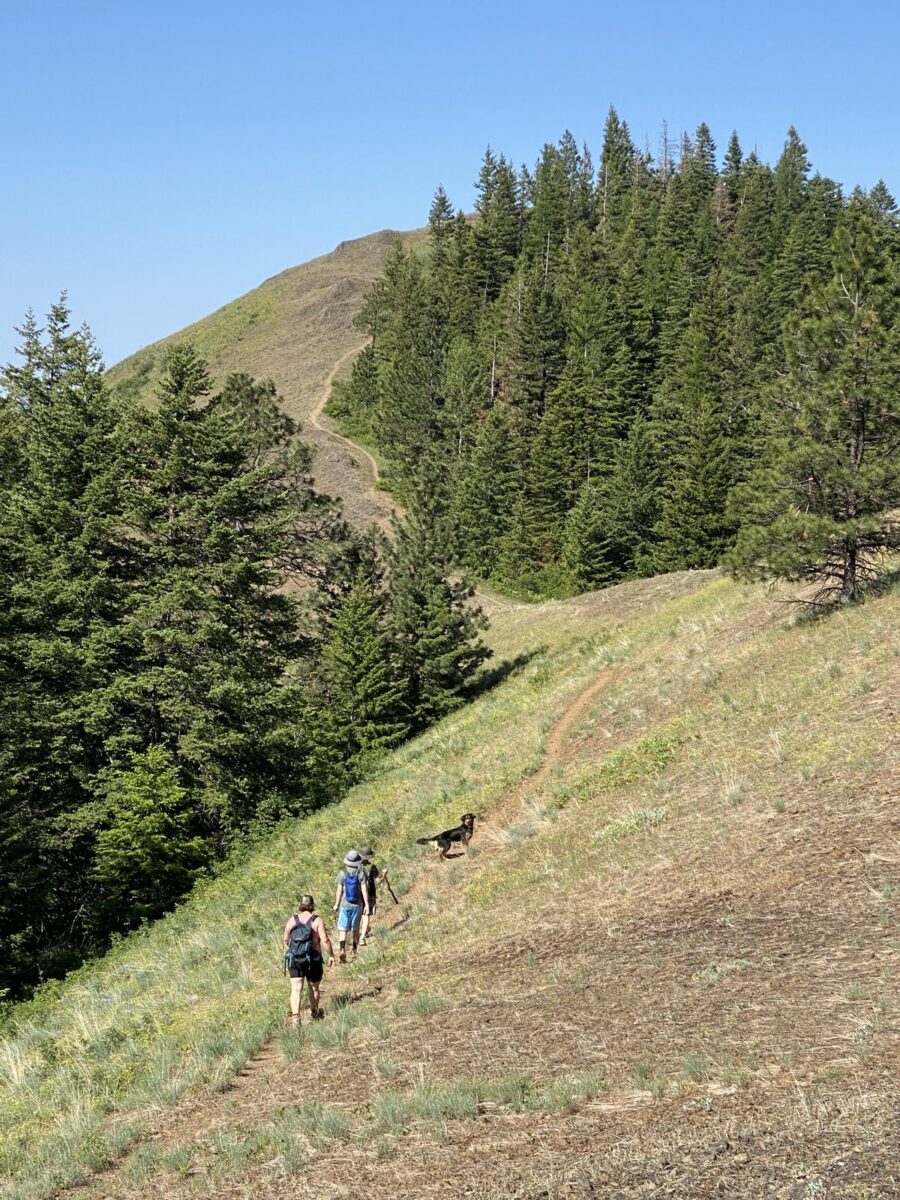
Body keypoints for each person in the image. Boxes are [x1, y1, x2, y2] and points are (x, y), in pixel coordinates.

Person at [283, 894, 335, 1026]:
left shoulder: (292, 920)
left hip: (295, 959)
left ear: (300, 905)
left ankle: (296, 1019)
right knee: (314, 987)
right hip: (313, 959)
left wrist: (296, 950)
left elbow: (286, 940)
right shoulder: (316, 920)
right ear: (312, 905)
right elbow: (325, 940)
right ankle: (314, 1012)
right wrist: (331, 955)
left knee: (295, 989)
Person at [333, 850, 369, 962]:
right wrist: (366, 904)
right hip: (357, 905)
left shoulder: (342, 873)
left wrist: (336, 904)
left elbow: (339, 890)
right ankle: (354, 950)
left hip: (344, 905)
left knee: (342, 930)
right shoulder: (361, 873)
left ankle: (342, 949)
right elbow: (364, 889)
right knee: (355, 929)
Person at [358, 846, 393, 947]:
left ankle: (362, 932)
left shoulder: (356, 867)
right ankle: (362, 938)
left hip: (357, 894)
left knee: (360, 915)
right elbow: (378, 881)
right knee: (366, 915)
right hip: (370, 894)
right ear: (369, 856)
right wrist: (384, 874)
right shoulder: (372, 867)